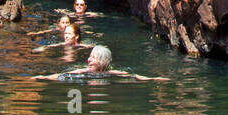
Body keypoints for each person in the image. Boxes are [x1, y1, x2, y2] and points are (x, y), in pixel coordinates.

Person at [35, 44, 166, 81]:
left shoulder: (111, 73)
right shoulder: (83, 71)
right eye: (89, 57)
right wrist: (42, 77)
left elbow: (133, 76)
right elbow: (62, 74)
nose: (88, 60)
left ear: (103, 63)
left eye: (93, 58)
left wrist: (153, 78)